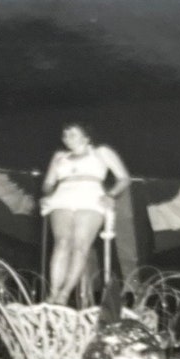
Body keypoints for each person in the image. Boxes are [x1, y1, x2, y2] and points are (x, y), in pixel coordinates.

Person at [40, 123, 131, 306]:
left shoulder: (101, 152)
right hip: (62, 197)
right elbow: (48, 183)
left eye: (72, 134)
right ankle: (53, 293)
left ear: (86, 137)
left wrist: (110, 195)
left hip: (91, 197)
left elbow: (124, 178)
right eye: (64, 135)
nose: (67, 138)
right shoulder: (59, 156)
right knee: (62, 242)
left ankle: (65, 293)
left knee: (80, 246)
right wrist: (47, 194)